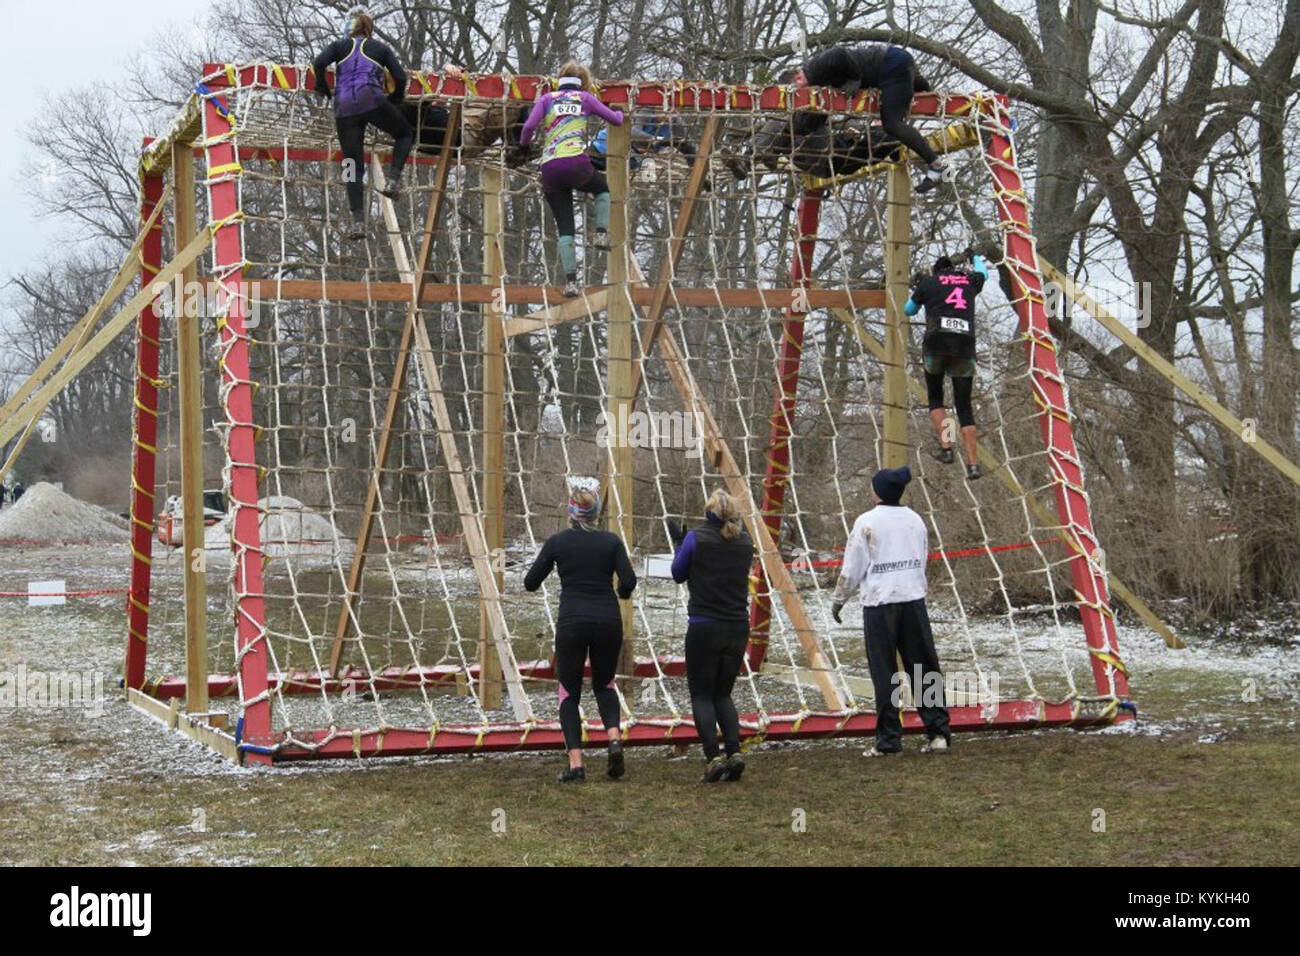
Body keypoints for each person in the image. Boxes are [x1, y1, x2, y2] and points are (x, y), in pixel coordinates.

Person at [830, 466, 951, 756]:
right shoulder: (915, 520)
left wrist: (839, 598)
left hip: (879, 604)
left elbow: (852, 567)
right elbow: (922, 557)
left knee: (884, 672)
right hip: (912, 599)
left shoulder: (866, 522)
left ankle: (889, 741)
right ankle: (939, 733)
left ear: (878, 492)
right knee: (924, 668)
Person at [524, 486, 637, 783]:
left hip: (572, 622)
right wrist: (621, 592)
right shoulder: (611, 542)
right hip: (608, 622)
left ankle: (576, 765)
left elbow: (531, 582)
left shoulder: (558, 542)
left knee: (569, 692)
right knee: (605, 684)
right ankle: (613, 739)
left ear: (571, 513)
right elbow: (629, 581)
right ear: (597, 514)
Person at [667, 490, 754, 783]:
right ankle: (735, 752)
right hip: (738, 626)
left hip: (705, 625)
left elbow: (678, 574)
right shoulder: (745, 541)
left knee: (702, 694)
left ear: (709, 512)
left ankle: (713, 757)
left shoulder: (696, 537)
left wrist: (679, 545)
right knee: (723, 693)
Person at [518, 62, 625, 298]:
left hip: (550, 168)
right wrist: (622, 113)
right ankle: (600, 233)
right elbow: (615, 120)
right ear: (584, 81)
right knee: (602, 189)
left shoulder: (547, 99)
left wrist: (524, 147)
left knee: (565, 227)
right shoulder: (585, 98)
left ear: (560, 79)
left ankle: (571, 283)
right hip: (575, 162)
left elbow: (528, 127)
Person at [311, 8, 416, 239]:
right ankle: (393, 180)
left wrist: (322, 85)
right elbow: (400, 76)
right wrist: (396, 98)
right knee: (405, 134)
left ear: (350, 27)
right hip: (372, 99)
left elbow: (319, 62)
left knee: (351, 165)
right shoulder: (379, 48)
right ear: (370, 28)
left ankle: (357, 221)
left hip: (344, 108)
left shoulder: (339, 46)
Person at [790, 44, 947, 193]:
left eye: (797, 89)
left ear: (798, 78)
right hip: (894, 67)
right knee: (898, 116)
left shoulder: (816, 67)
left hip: (889, 65)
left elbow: (839, 53)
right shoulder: (818, 80)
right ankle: (922, 87)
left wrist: (855, 78)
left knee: (892, 124)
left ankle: (936, 165)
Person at [906, 251, 989, 479]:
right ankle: (972, 465)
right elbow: (984, 273)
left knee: (936, 398)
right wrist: (975, 257)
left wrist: (918, 290)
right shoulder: (969, 280)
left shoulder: (928, 282)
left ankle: (947, 449)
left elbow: (908, 310)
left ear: (936, 270)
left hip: (936, 345)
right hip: (964, 347)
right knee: (964, 407)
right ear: (954, 269)